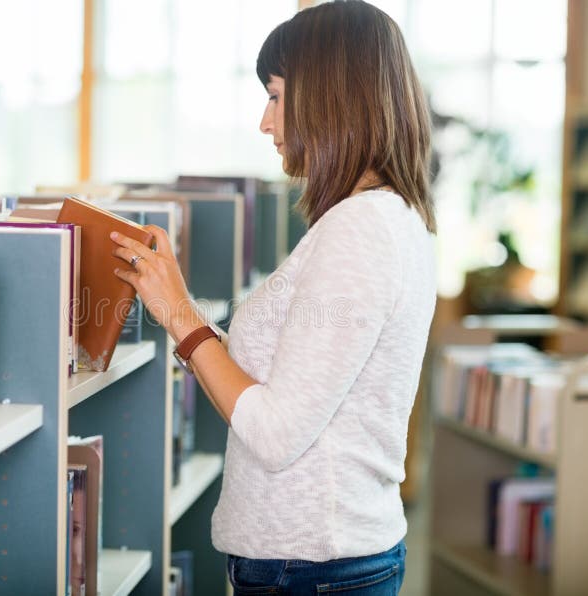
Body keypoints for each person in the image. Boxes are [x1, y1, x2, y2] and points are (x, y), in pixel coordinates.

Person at [110, 1, 436, 593]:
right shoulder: (377, 221)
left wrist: (180, 316)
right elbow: (281, 380)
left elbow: (276, 432)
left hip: (314, 564)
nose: (266, 121)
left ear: (331, 97)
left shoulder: (360, 231)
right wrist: (177, 303)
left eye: (277, 96)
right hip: (317, 558)